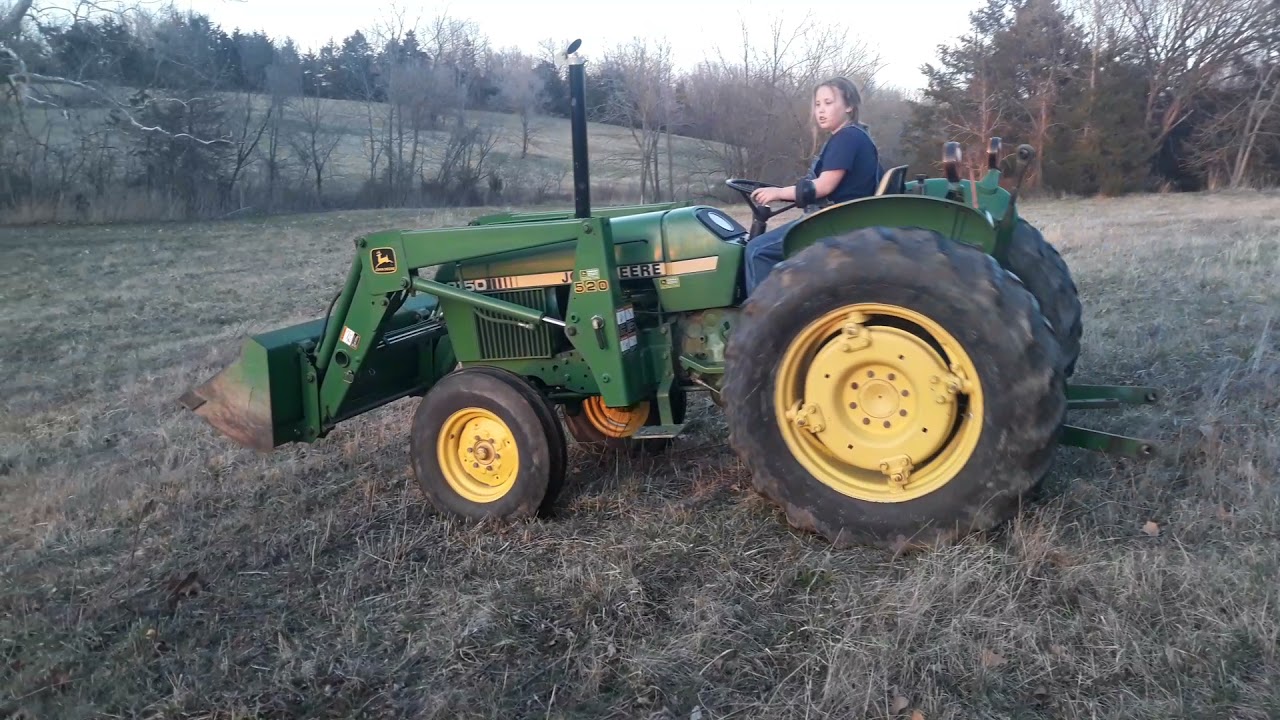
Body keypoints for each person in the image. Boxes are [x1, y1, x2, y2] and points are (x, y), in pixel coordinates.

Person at [743, 76, 881, 294]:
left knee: (757, 250)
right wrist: (785, 193)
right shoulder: (854, 136)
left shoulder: (847, 138)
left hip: (836, 221)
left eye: (828, 103)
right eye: (817, 104)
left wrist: (779, 192)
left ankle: (762, 313)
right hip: (841, 216)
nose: (821, 110)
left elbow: (823, 187)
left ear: (849, 106)